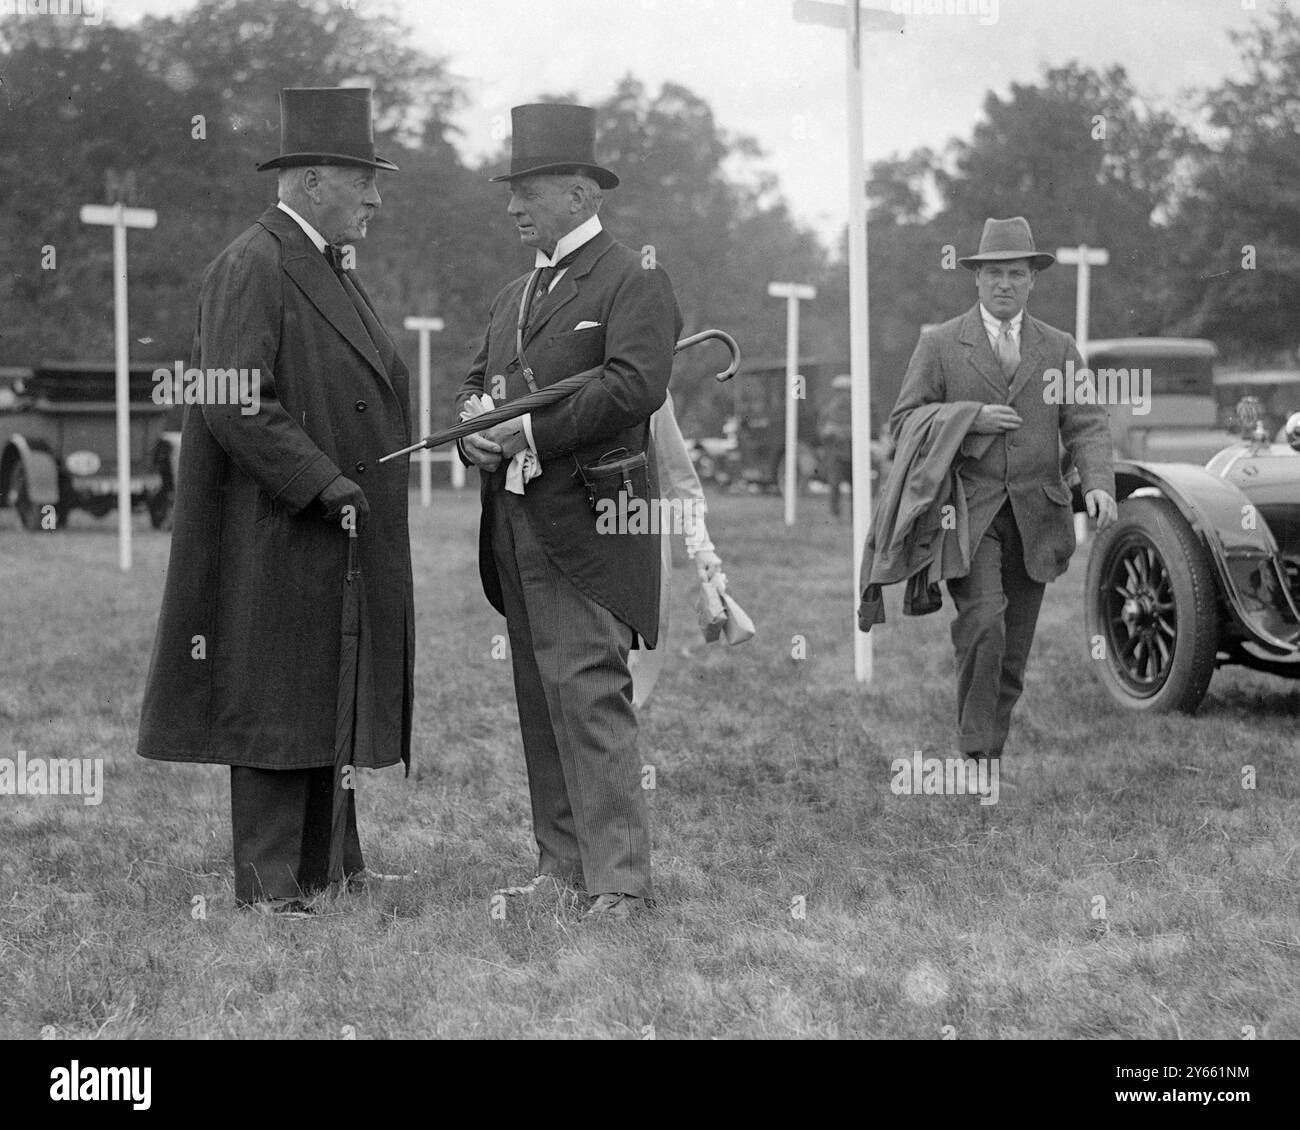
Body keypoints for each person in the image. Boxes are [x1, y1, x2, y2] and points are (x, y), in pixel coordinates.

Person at [137, 88, 415, 916]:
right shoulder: (252, 263)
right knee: (272, 697)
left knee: (321, 686)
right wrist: (322, 482)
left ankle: (332, 868)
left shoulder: (323, 263)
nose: (375, 198)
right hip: (277, 527)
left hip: (326, 529)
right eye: (363, 180)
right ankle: (270, 887)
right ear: (312, 180)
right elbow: (231, 400)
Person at [456, 103, 681, 921]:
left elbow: (633, 388)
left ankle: (618, 881)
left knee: (587, 691)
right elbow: (475, 384)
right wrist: (474, 432)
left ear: (581, 195)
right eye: (513, 191)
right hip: (513, 521)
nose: (514, 205)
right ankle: (561, 865)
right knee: (538, 694)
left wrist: (523, 429)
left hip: (592, 522)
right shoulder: (515, 292)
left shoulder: (634, 278)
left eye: (530, 190)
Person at [888, 216, 1116, 762]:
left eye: (1016, 273)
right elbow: (903, 422)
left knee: (1012, 651)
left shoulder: (1059, 348)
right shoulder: (942, 344)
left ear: (1033, 280)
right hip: (966, 516)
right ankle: (976, 753)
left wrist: (1099, 482)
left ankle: (989, 754)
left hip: (1039, 517)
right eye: (994, 274)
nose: (1005, 284)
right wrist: (967, 419)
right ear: (977, 279)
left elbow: (1086, 421)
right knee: (984, 623)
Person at [628, 392, 723, 708]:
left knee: (632, 665)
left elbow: (677, 475)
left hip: (636, 532)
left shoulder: (647, 381)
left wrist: (703, 548)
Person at [817, 374, 853, 519]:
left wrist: (842, 431)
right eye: (840, 391)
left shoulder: (858, 409)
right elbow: (821, 430)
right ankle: (834, 514)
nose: (843, 395)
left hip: (852, 452)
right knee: (834, 483)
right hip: (835, 453)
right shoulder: (828, 410)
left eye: (846, 391)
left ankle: (855, 514)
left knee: (855, 485)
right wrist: (828, 432)